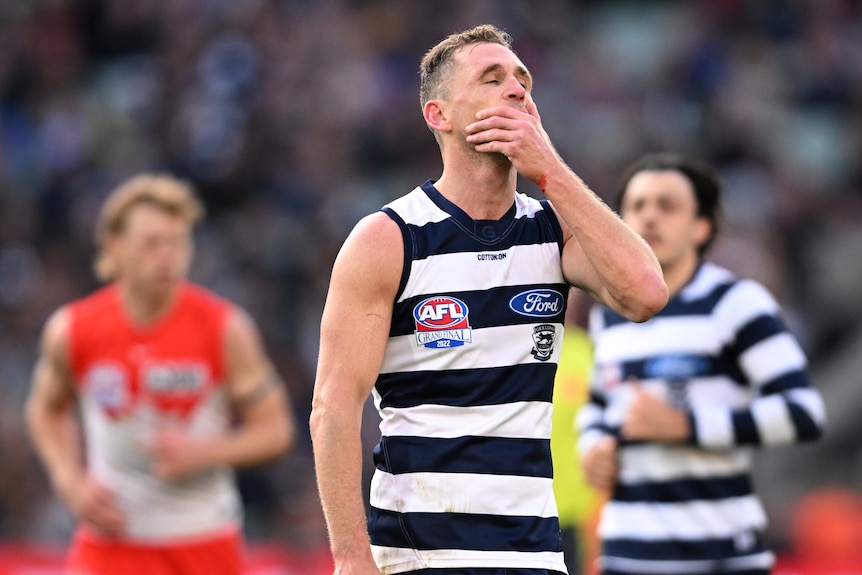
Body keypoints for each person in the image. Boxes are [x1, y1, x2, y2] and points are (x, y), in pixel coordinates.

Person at [310, 24, 667, 575]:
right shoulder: (389, 238)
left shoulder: (552, 228)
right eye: (492, 78)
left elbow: (646, 292)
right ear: (440, 115)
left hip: (536, 553)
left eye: (522, 80)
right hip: (420, 553)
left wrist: (550, 171)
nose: (517, 90)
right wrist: (350, 556)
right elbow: (333, 407)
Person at [25, 174, 296, 575]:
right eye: (151, 243)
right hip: (109, 546)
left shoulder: (224, 328)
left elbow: (276, 431)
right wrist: (70, 481)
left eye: (177, 242)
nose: (167, 256)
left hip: (204, 543)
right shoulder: (73, 329)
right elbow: (46, 410)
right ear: (114, 247)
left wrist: (205, 451)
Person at [576, 153, 826, 575]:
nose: (649, 218)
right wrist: (593, 446)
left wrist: (688, 426)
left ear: (702, 227)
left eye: (667, 206)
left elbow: (803, 413)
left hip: (718, 549)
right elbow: (600, 406)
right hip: (626, 548)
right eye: (637, 207)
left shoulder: (737, 304)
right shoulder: (609, 312)